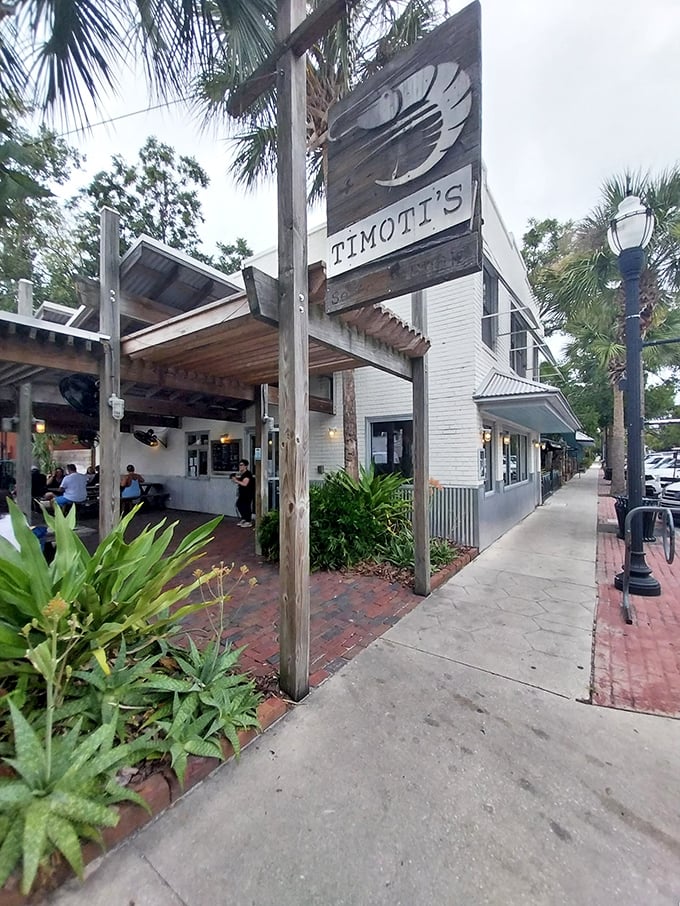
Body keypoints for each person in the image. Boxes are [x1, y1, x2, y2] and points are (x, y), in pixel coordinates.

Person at [231, 458, 255, 526]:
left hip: (247, 493)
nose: (240, 466)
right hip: (242, 493)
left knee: (246, 506)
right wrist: (236, 479)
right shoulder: (242, 474)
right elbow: (241, 480)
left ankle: (248, 521)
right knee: (239, 505)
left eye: (242, 465)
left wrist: (236, 481)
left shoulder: (247, 474)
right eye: (239, 465)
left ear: (246, 466)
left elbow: (245, 483)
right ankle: (244, 518)